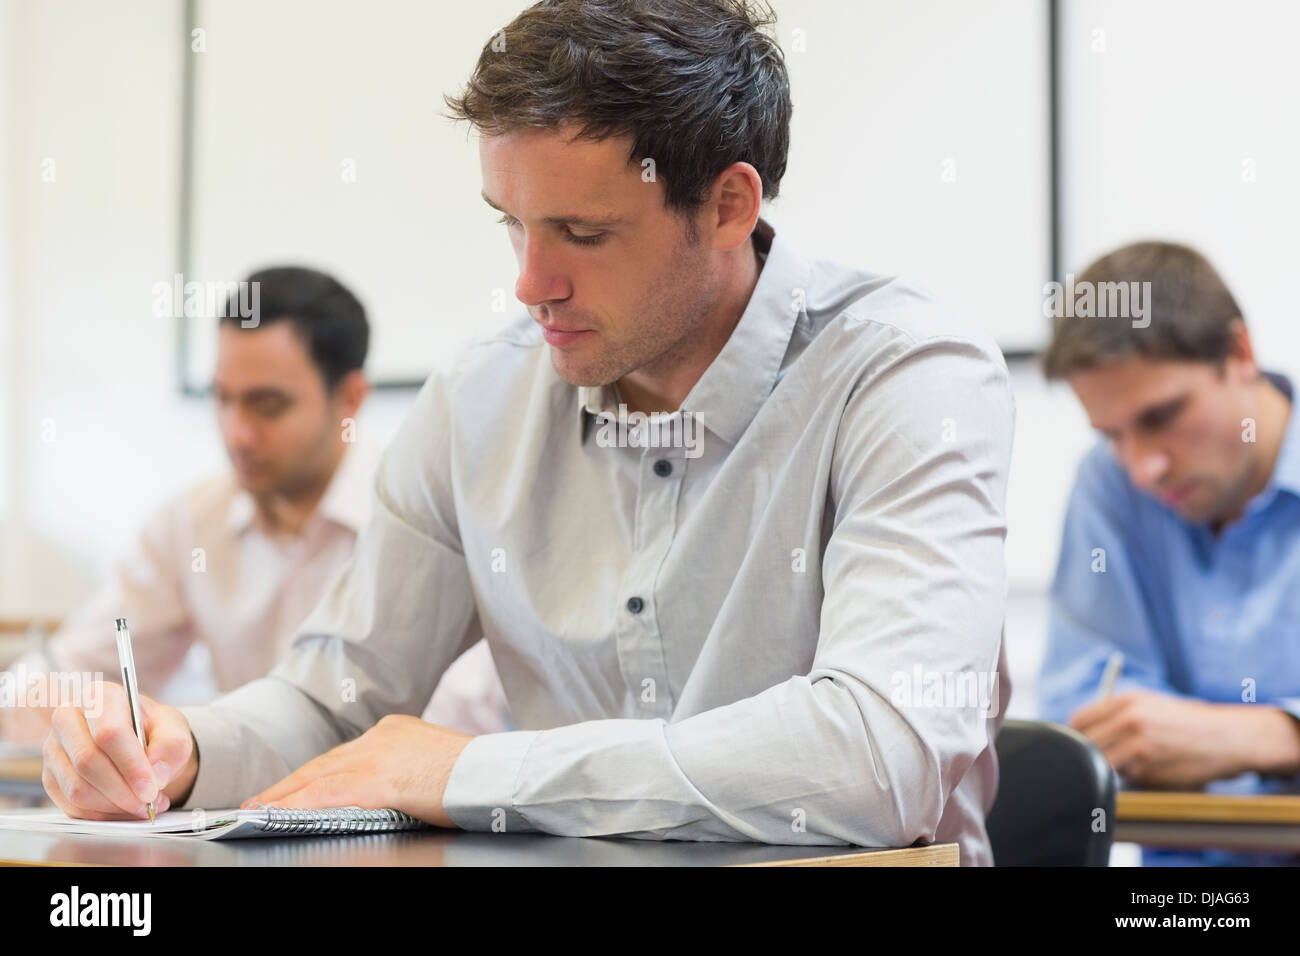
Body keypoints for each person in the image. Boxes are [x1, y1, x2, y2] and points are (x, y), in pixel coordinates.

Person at [40, 0, 1014, 865]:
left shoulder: (907, 375)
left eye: (581, 235)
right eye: (510, 223)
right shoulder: (478, 397)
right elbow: (339, 700)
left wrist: (469, 771)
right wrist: (188, 745)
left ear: (728, 205)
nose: (528, 282)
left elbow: (879, 755)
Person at [0, 266, 509, 744]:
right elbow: (71, 670)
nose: (238, 434)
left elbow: (450, 720)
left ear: (350, 397)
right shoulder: (190, 522)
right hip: (236, 813)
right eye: (223, 400)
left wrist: (209, 735)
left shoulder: (424, 512)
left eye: (268, 405)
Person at [1038, 240, 1300, 865]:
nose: (1143, 469)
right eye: (1112, 435)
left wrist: (1271, 734)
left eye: (1161, 416)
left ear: (1239, 354)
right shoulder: (1108, 484)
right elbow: (1082, 714)